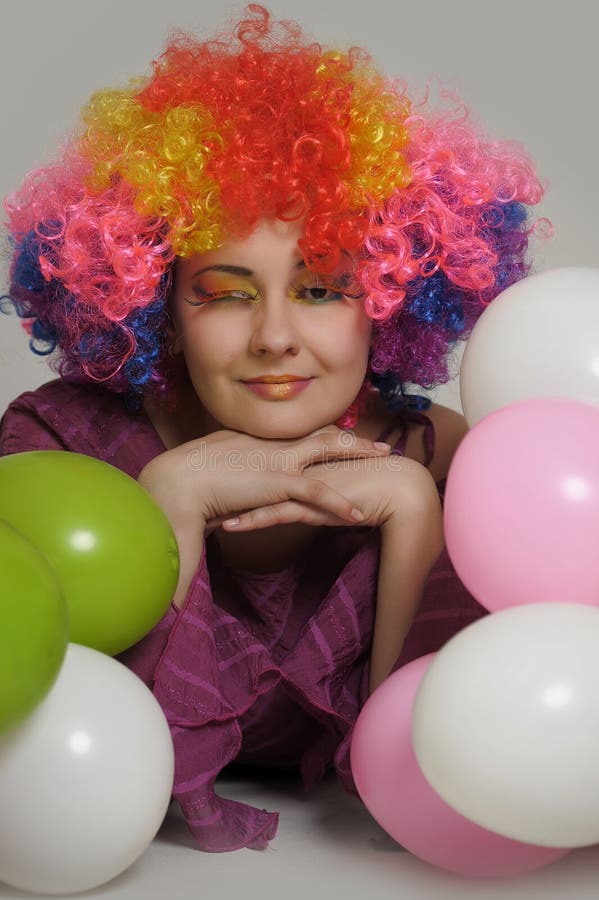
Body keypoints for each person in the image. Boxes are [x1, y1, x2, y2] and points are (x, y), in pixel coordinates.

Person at [0, 5, 544, 852]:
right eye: (225, 292)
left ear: (390, 304)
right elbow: (71, 780)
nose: (275, 337)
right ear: (162, 314)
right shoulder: (58, 449)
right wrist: (171, 497)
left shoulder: (447, 461)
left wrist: (413, 515)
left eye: (323, 289)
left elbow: (430, 778)